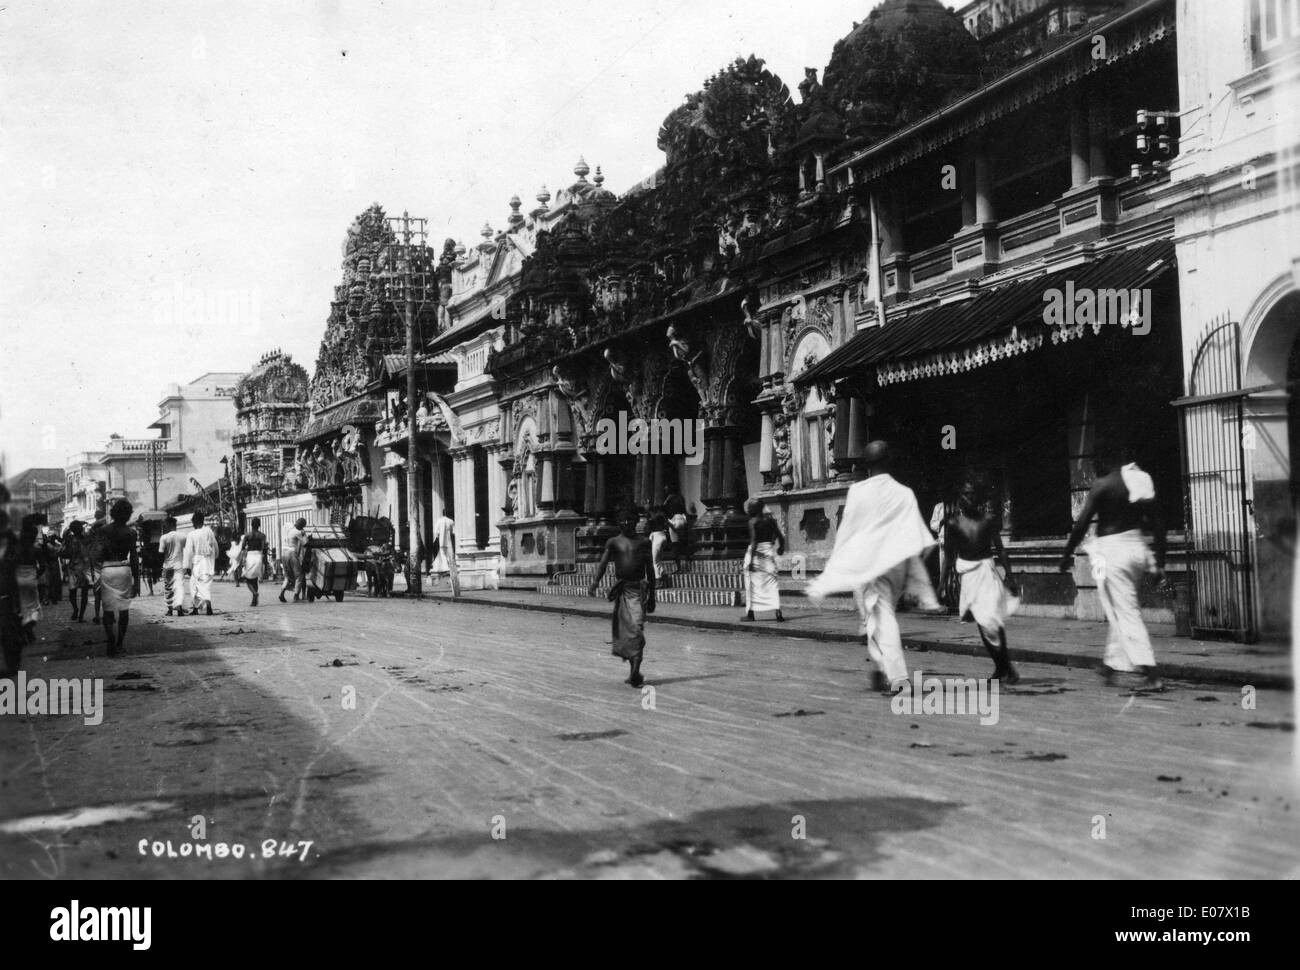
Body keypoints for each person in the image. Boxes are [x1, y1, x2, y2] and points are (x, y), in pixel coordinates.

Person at [806, 441, 941, 695]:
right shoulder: (904, 492)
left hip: (872, 564)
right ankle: (881, 668)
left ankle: (899, 678)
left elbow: (847, 531)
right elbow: (918, 535)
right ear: (889, 461)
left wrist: (837, 566)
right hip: (897, 565)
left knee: (881, 617)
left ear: (865, 465)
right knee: (873, 617)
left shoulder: (858, 491)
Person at [1059, 442, 1168, 690]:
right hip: (1137, 549)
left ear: (1104, 460)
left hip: (1113, 553)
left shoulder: (1102, 484)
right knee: (1120, 607)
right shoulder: (1138, 479)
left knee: (1126, 611)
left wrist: (1066, 554)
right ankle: (1110, 664)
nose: (1094, 466)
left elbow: (1082, 524)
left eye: (1095, 462)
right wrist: (1159, 561)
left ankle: (1152, 674)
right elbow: (1159, 522)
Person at [940, 479, 1020, 684]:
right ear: (960, 498)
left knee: (992, 620)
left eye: (973, 495)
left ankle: (1006, 668)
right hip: (968, 577)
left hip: (987, 573)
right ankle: (1002, 668)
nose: (969, 498)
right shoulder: (953, 524)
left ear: (979, 498)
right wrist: (941, 585)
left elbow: (1000, 549)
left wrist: (1009, 577)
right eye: (966, 494)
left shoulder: (988, 520)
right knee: (982, 623)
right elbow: (948, 557)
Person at [588, 508, 656, 688]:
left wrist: (652, 597)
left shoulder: (644, 542)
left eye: (630, 521)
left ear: (636, 523)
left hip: (637, 591)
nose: (627, 525)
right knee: (627, 632)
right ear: (619, 524)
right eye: (623, 522)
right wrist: (595, 582)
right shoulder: (613, 542)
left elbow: (650, 570)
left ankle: (635, 669)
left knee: (636, 628)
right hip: (622, 591)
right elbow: (603, 564)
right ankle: (634, 668)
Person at [95, 499, 141, 656]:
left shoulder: (103, 530)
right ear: (128, 514)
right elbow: (134, 558)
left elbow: (97, 554)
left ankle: (111, 640)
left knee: (107, 610)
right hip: (124, 570)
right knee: (123, 609)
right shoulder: (131, 533)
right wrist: (137, 582)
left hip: (107, 570)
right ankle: (120, 644)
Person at [742, 498, 786, 622]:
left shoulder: (752, 522)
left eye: (750, 507)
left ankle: (751, 614)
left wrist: (750, 561)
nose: (748, 509)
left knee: (751, 584)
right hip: (768, 553)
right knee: (772, 583)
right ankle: (778, 612)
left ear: (755, 509)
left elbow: (754, 541)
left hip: (755, 554)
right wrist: (781, 547)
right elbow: (780, 536)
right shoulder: (770, 521)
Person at [0, 490, 23, 676]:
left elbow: (18, 563)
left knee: (9, 629)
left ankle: (11, 665)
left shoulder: (11, 538)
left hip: (7, 590)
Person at [183, 511, 218, 616]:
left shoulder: (191, 534)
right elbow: (215, 548)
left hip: (197, 562)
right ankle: (208, 607)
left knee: (194, 585)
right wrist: (214, 558)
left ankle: (196, 608)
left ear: (194, 522)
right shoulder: (209, 532)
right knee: (205, 585)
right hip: (207, 562)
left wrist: (187, 566)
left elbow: (188, 551)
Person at [61, 520, 95, 622]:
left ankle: (75, 609)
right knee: (84, 593)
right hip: (84, 568)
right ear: (81, 528)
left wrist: (71, 527)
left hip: (73, 567)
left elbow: (65, 533)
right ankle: (81, 616)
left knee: (72, 591)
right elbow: (93, 533)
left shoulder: (69, 539)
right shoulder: (86, 538)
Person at [158, 516, 186, 617]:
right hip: (179, 565)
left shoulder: (164, 538)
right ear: (175, 525)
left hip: (167, 566)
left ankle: (170, 610)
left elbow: (161, 553)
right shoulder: (183, 536)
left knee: (168, 587)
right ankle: (179, 609)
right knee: (179, 586)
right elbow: (186, 550)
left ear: (168, 525)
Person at [239, 518, 268, 607]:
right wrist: (264, 560)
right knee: (254, 578)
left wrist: (241, 558)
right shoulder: (262, 535)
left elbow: (243, 547)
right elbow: (264, 548)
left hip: (250, 556)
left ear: (251, 525)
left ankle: (255, 594)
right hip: (259, 556)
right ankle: (254, 600)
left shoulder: (247, 535)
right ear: (259, 525)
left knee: (247, 578)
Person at [429, 512, 459, 596]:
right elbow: (454, 532)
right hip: (449, 542)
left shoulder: (439, 521)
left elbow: (436, 532)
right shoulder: (451, 521)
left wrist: (436, 539)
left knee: (442, 555)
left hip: (441, 542)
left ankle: (445, 568)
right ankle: (449, 568)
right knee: (449, 556)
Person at [280, 518, 308, 603]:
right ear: (302, 526)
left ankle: (282, 593)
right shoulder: (298, 532)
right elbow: (305, 543)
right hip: (292, 553)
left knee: (287, 576)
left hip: (284, 553)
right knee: (299, 576)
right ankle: (296, 596)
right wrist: (305, 535)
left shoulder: (289, 530)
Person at [662, 486, 688, 568]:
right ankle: (687, 558)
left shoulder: (669, 499)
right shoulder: (680, 498)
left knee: (675, 545)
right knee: (683, 542)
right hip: (682, 518)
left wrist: (669, 523)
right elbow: (684, 510)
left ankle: (679, 566)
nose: (665, 489)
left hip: (674, 520)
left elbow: (664, 508)